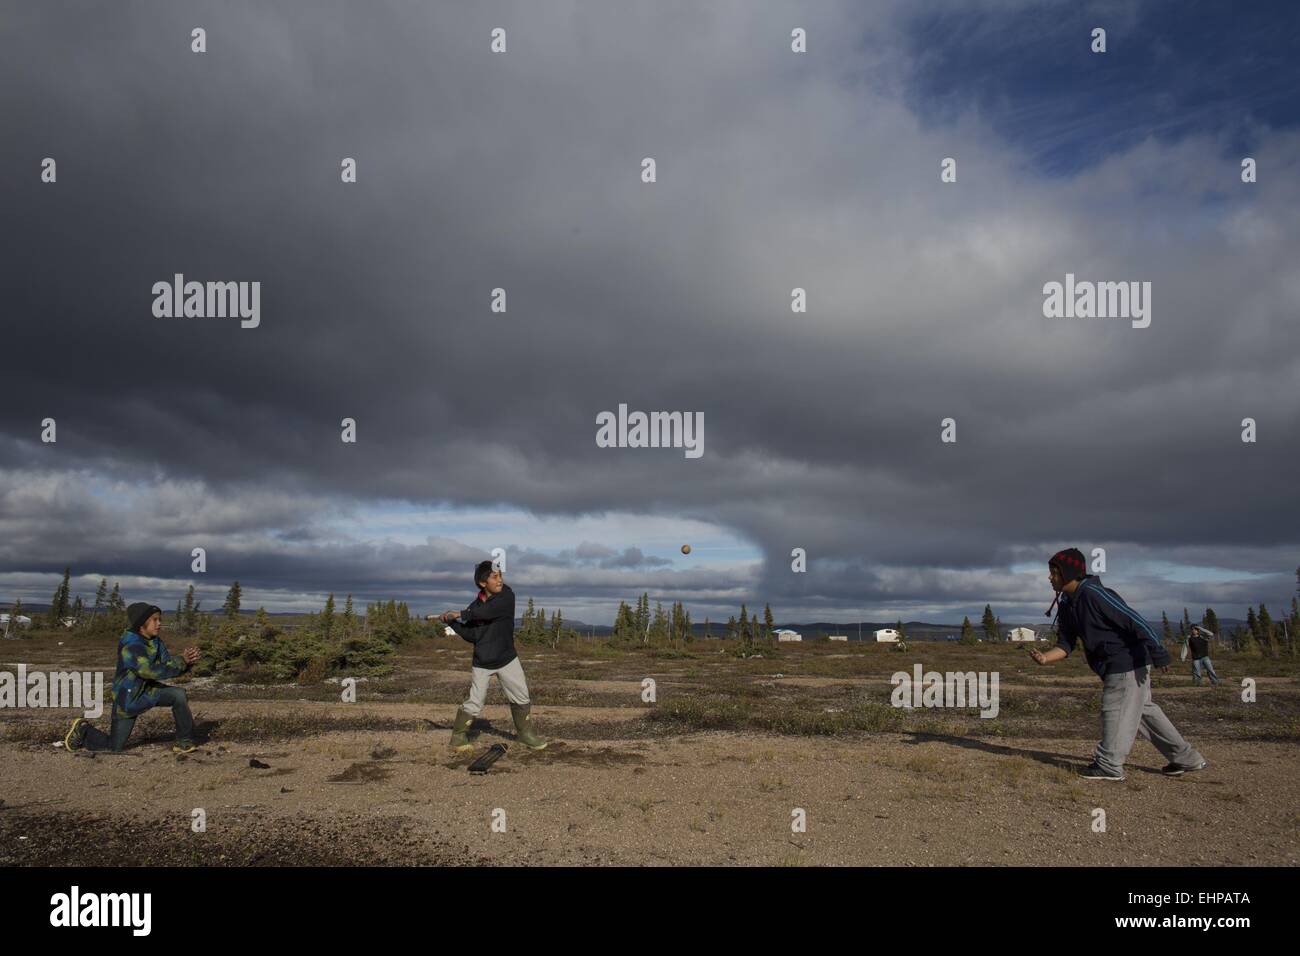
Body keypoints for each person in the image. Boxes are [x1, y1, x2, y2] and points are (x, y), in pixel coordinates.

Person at [1029, 548, 1207, 780]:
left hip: (1127, 662)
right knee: (1143, 712)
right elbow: (1066, 643)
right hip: (1114, 665)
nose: (1049, 577)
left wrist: (1159, 653)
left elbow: (1135, 620)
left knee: (1115, 708)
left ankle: (1109, 764)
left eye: (1053, 572)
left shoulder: (1095, 594)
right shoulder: (1066, 603)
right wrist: (1045, 658)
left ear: (1068, 573)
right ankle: (1186, 758)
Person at [64, 602, 201, 754]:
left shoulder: (156, 641)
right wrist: (181, 661)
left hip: (147, 691)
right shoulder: (131, 645)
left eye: (159, 619)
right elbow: (148, 671)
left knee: (178, 695)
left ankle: (184, 741)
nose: (159, 623)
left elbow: (166, 665)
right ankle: (83, 730)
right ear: (142, 623)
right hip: (127, 698)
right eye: (155, 620)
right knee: (114, 747)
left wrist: (187, 661)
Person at [440, 561, 546, 752]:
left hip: (507, 659)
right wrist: (453, 623)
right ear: (483, 583)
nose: (500, 580)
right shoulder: (474, 607)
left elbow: (489, 612)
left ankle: (526, 735)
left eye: (501, 576)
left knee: (521, 697)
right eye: (495, 577)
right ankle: (458, 738)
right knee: (475, 702)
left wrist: (460, 613)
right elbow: (472, 634)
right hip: (483, 662)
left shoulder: (506, 596)